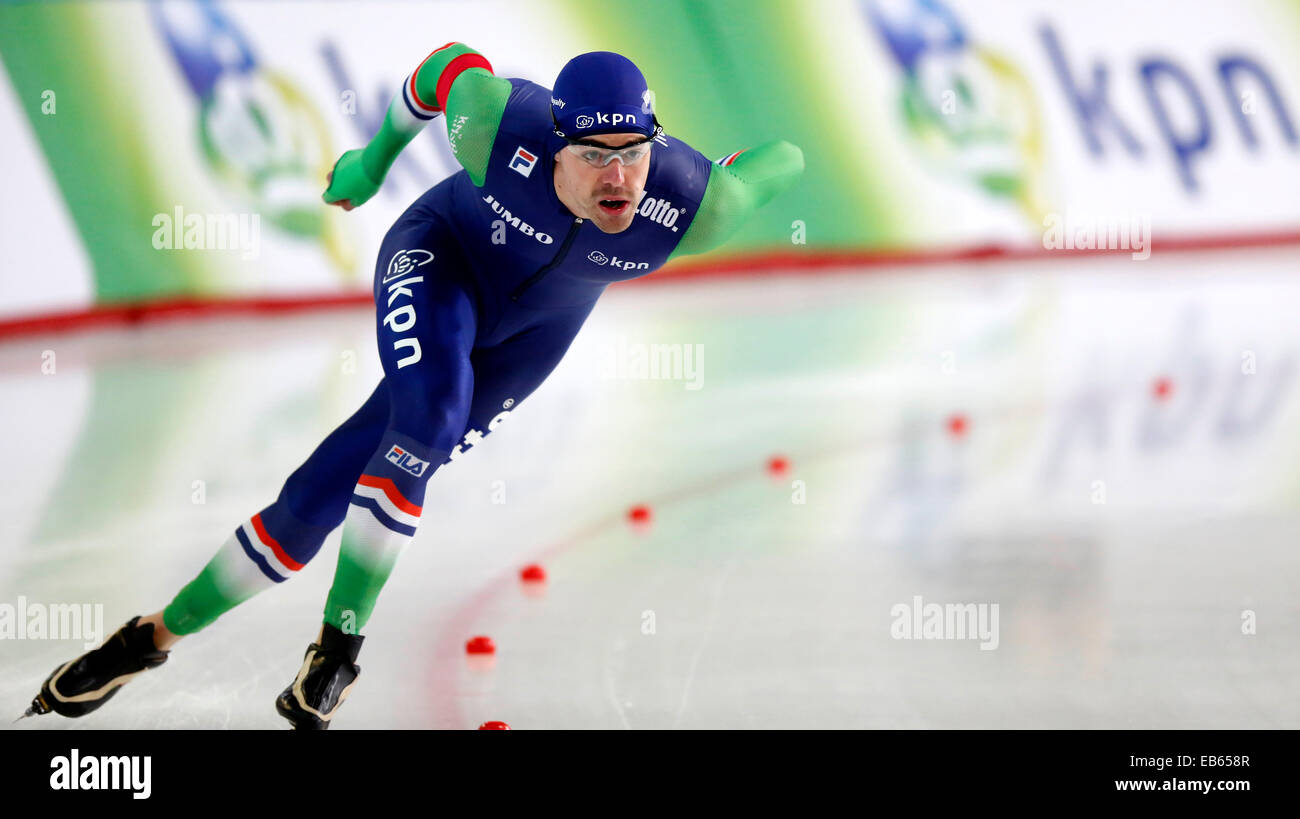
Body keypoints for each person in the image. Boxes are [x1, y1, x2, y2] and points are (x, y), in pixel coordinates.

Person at [25, 45, 803, 729]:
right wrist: (371, 163)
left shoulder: (694, 205)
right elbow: (442, 69)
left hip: (536, 336)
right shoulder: (501, 125)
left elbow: (786, 158)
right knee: (427, 418)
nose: (620, 177)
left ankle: (145, 640)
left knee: (325, 493)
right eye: (596, 155)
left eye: (634, 152)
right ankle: (337, 651)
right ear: (555, 146)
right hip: (442, 261)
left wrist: (736, 169)